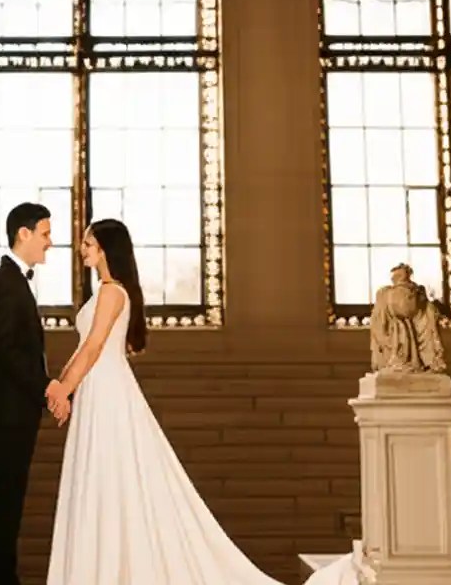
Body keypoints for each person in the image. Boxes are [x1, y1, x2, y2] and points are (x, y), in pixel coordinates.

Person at [46, 218, 287, 584]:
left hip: (107, 392)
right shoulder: (106, 292)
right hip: (99, 389)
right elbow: (86, 347)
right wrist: (62, 386)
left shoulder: (112, 292)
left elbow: (94, 347)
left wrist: (64, 389)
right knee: (107, 478)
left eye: (89, 243)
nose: (83, 249)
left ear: (107, 249)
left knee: (111, 477)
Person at [0, 202, 71, 585]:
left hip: (12, 411)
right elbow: (5, 350)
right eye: (45, 233)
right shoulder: (3, 285)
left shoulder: (12, 282)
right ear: (23, 234)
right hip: (6, 413)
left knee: (9, 501)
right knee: (6, 502)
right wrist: (47, 385)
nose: (50, 242)